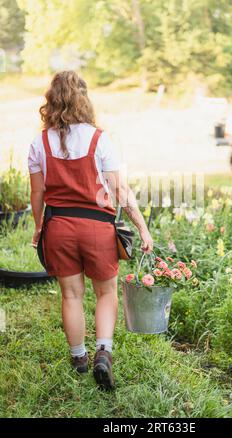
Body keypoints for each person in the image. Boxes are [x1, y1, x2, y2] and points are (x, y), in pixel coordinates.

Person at [28, 71, 153, 390]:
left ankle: (79, 358)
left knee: (70, 294)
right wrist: (142, 229)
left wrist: (39, 227)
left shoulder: (39, 141)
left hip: (59, 227)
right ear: (84, 98)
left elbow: (37, 194)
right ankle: (104, 352)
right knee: (105, 292)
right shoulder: (100, 139)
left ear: (51, 100)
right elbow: (121, 191)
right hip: (97, 228)